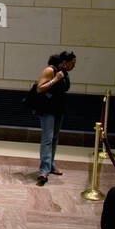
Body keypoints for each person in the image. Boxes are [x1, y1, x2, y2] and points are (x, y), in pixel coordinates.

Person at [32, 50, 76, 184]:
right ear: (64, 62)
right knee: (47, 138)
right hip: (47, 110)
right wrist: (55, 80)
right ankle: (44, 170)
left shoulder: (65, 73)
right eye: (72, 63)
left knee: (55, 138)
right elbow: (40, 88)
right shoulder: (50, 70)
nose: (74, 66)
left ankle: (50, 165)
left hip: (58, 108)